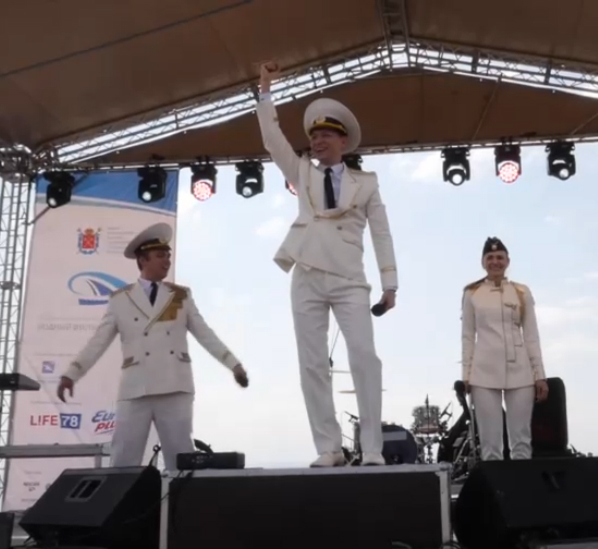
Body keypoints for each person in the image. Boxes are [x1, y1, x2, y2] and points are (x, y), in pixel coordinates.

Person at [255, 62, 398, 467]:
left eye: (325, 135)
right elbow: (272, 140)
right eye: (314, 136)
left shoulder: (366, 183)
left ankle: (372, 448)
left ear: (342, 141)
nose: (317, 141)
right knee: (312, 362)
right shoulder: (302, 172)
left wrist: (390, 284)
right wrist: (265, 91)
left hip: (350, 278)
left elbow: (382, 234)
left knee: (364, 357)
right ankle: (328, 447)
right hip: (306, 273)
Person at [57, 222, 249, 470]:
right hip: (135, 387)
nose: (167, 261)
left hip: (175, 386)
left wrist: (233, 364)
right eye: (160, 255)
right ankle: (124, 498)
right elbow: (98, 341)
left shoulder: (181, 296)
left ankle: (177, 498)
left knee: (181, 461)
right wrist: (71, 374)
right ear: (143, 260)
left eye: (168, 255)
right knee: (123, 459)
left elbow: (205, 334)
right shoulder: (120, 299)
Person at [461, 237, 548, 461]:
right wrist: (466, 375)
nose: (495, 262)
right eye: (490, 257)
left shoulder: (521, 292)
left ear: (508, 261)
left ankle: (522, 484)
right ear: (483, 262)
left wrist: (539, 375)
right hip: (483, 372)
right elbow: (468, 336)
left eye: (500, 257)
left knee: (521, 442)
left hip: (520, 371)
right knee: (490, 444)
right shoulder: (472, 293)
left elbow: (531, 335)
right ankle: (495, 484)